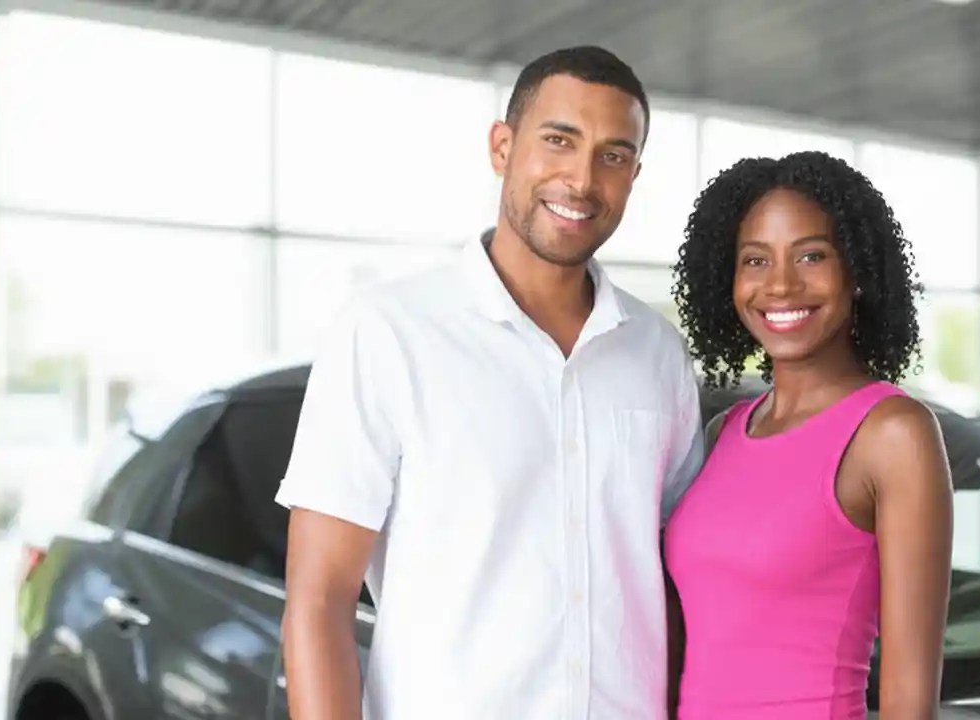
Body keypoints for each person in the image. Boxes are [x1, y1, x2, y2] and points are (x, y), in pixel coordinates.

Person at [275, 46, 704, 720]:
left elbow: (680, 581)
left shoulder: (657, 354)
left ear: (634, 174)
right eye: (559, 140)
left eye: (613, 155)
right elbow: (320, 597)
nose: (582, 179)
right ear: (502, 146)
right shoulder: (389, 331)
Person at [663, 151, 954, 719]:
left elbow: (908, 702)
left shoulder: (894, 435)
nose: (781, 285)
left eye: (812, 256)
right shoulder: (726, 431)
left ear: (858, 272)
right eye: (755, 260)